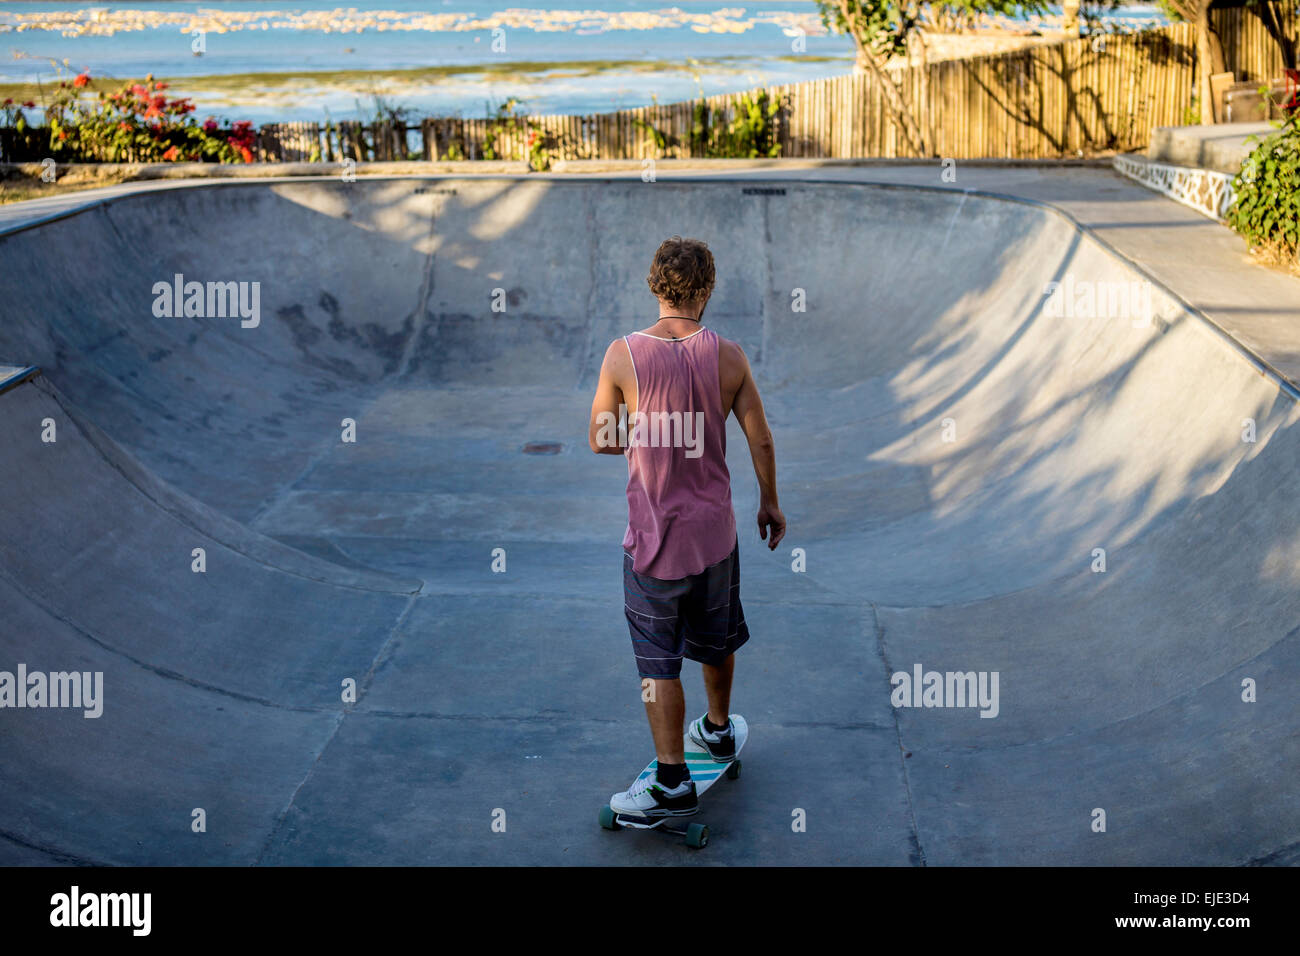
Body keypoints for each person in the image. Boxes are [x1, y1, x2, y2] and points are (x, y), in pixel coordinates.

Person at [588, 235, 785, 819]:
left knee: (658, 662)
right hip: (716, 536)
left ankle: (672, 779)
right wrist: (769, 503)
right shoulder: (729, 355)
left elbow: (601, 437)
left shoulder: (622, 354)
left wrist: (651, 431)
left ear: (655, 286)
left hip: (654, 543)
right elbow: (761, 437)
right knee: (716, 636)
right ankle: (718, 729)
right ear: (707, 291)